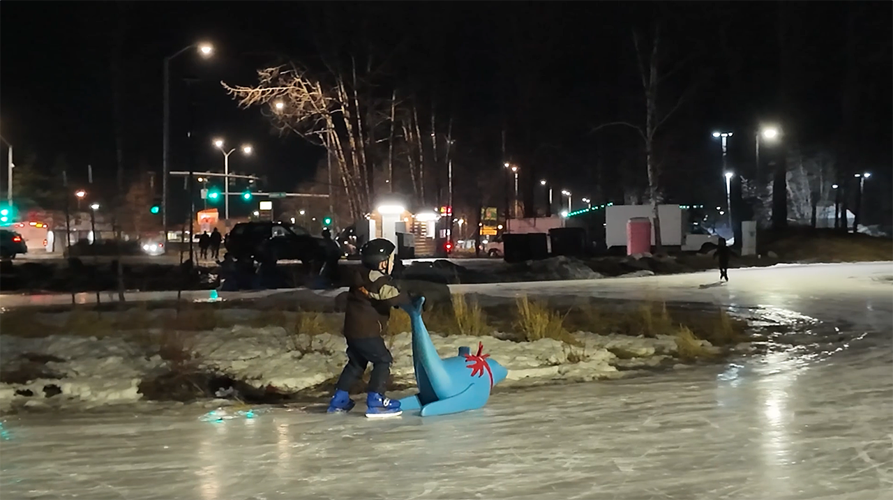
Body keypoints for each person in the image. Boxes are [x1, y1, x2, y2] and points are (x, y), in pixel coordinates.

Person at [328, 238, 409, 418]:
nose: (393, 263)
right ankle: (376, 400)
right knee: (382, 360)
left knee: (356, 363)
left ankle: (339, 399)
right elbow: (390, 295)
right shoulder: (375, 278)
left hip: (353, 330)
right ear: (382, 262)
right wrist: (410, 299)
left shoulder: (362, 275)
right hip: (367, 331)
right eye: (391, 260)